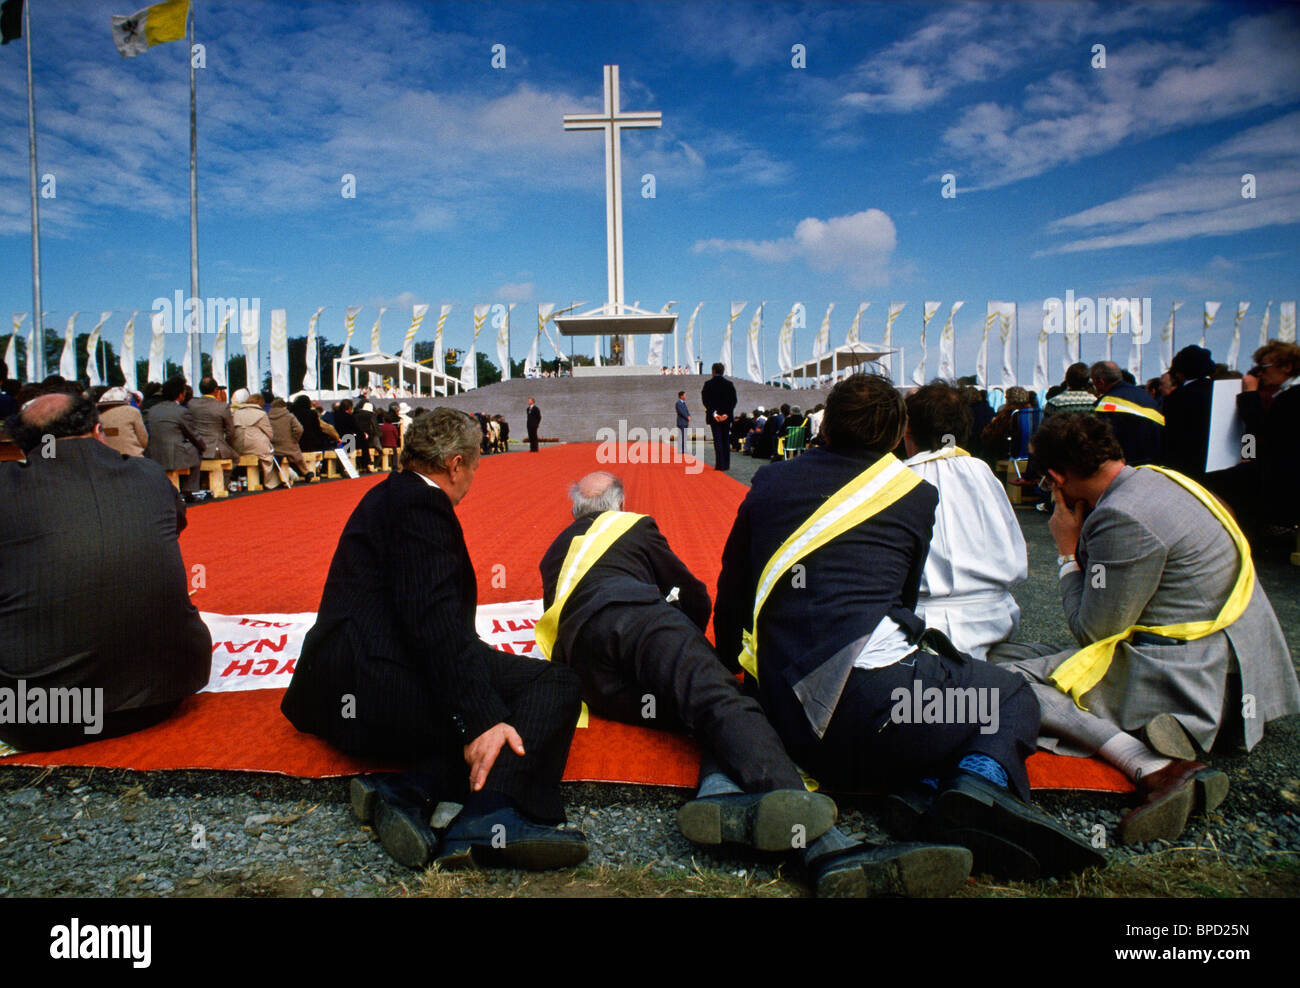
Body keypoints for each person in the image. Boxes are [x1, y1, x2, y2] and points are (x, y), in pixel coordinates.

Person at [715, 374, 1104, 886]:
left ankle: (921, 790)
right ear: (898, 432)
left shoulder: (771, 482)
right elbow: (902, 602)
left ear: (826, 424)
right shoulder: (913, 495)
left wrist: (735, 679)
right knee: (1008, 693)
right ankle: (972, 785)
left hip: (791, 722)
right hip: (884, 710)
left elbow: (734, 591)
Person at [281, 408, 587, 871]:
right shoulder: (422, 506)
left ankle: (409, 790)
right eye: (476, 466)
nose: (473, 479)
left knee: (488, 690)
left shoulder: (386, 495)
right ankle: (491, 812)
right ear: (455, 464)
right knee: (553, 686)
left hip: (342, 687)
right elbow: (433, 623)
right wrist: (479, 718)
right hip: (378, 692)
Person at [991, 413, 1299, 843]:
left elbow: (1093, 631)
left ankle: (1151, 762)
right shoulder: (1163, 480)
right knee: (1007, 655)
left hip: (1188, 676)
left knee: (1004, 682)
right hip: (1234, 664)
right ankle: (1165, 732)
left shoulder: (1121, 517)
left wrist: (1065, 552)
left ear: (1057, 479)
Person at [537, 471, 842, 881]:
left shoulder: (553, 552)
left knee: (691, 710)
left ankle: (720, 793)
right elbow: (691, 592)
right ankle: (821, 841)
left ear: (574, 510)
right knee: (718, 700)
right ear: (619, 503)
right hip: (637, 620)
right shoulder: (632, 525)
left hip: (589, 674)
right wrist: (694, 650)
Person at [0, 393, 210, 750]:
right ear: (98, 430)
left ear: (23, 447)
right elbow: (172, 526)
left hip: (37, 717)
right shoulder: (148, 473)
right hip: (164, 693)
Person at [902, 383, 1027, 661]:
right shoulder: (982, 472)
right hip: (995, 615)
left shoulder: (898, 479)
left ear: (907, 431)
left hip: (925, 623)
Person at [1204, 340, 1300, 539]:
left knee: (1219, 482)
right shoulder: (1280, 395)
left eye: (1263, 368)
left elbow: (1260, 429)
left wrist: (1249, 395)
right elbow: (1251, 432)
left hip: (1287, 471)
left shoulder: (1292, 397)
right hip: (1280, 465)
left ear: (1287, 367)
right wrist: (1249, 455)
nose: (1259, 374)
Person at [1160, 345, 1216, 481]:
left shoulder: (1177, 398)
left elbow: (1171, 440)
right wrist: (1249, 455)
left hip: (1189, 472)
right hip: (1223, 468)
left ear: (1179, 373)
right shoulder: (1227, 392)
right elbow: (1248, 431)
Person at [1091, 360, 1162, 466]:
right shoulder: (1146, 396)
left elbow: (1104, 441)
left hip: (1127, 464)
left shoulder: (1106, 403)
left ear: (1101, 382)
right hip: (1154, 461)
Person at [145, 377, 203, 499]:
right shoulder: (181, 411)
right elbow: (193, 435)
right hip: (173, 455)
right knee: (196, 451)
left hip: (153, 452)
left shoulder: (152, 410)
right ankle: (189, 490)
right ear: (180, 394)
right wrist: (202, 446)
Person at [230, 389, 282, 490]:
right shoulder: (261, 414)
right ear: (261, 402)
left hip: (239, 445)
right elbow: (269, 433)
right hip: (257, 446)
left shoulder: (237, 413)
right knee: (268, 456)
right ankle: (269, 482)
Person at [188, 376, 237, 461]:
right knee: (236, 459)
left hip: (196, 450)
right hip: (216, 449)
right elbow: (231, 432)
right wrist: (227, 445)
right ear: (215, 390)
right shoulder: (222, 406)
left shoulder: (191, 405)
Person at [700, 362, 737, 471]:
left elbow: (705, 400)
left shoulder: (708, 384)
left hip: (714, 417)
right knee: (725, 439)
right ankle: (726, 464)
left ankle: (719, 464)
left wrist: (714, 413)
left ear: (713, 371)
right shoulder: (729, 384)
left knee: (718, 440)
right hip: (726, 417)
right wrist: (726, 413)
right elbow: (733, 401)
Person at [96, 386, 148, 457]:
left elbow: (113, 433)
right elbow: (143, 440)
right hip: (134, 458)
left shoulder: (99, 416)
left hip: (109, 460)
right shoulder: (132, 411)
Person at [267, 397, 310, 479]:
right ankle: (306, 472)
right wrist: (295, 439)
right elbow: (299, 429)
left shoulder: (267, 416)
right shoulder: (289, 416)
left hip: (274, 447)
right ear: (284, 406)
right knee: (298, 456)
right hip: (289, 446)